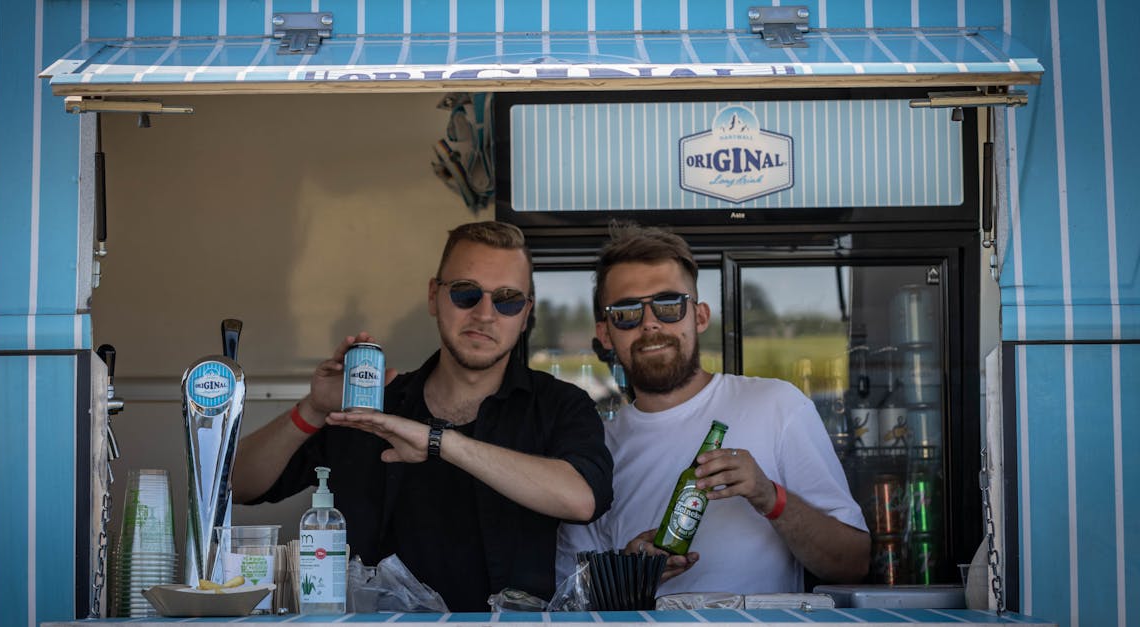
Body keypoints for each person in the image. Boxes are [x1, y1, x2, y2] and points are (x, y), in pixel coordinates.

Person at [233, 221, 613, 611]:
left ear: (526, 313)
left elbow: (583, 497)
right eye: (466, 293)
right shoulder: (370, 407)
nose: (485, 314)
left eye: (508, 299)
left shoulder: (558, 404)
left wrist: (438, 442)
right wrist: (313, 409)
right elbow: (239, 484)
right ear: (434, 296)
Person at [556, 224, 869, 597]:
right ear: (606, 333)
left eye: (669, 305)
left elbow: (852, 564)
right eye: (626, 312)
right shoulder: (596, 452)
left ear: (700, 316)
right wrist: (627, 572)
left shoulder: (777, 406)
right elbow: (566, 599)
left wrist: (770, 497)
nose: (651, 322)